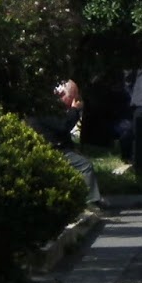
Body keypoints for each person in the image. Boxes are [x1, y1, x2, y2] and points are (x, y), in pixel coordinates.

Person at [27, 80, 107, 209]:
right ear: (62, 94)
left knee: (80, 160)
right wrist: (75, 110)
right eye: (71, 98)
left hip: (57, 146)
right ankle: (90, 201)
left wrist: (73, 149)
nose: (71, 102)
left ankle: (85, 197)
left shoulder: (50, 107)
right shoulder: (45, 109)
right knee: (85, 165)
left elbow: (62, 134)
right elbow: (63, 126)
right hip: (48, 149)